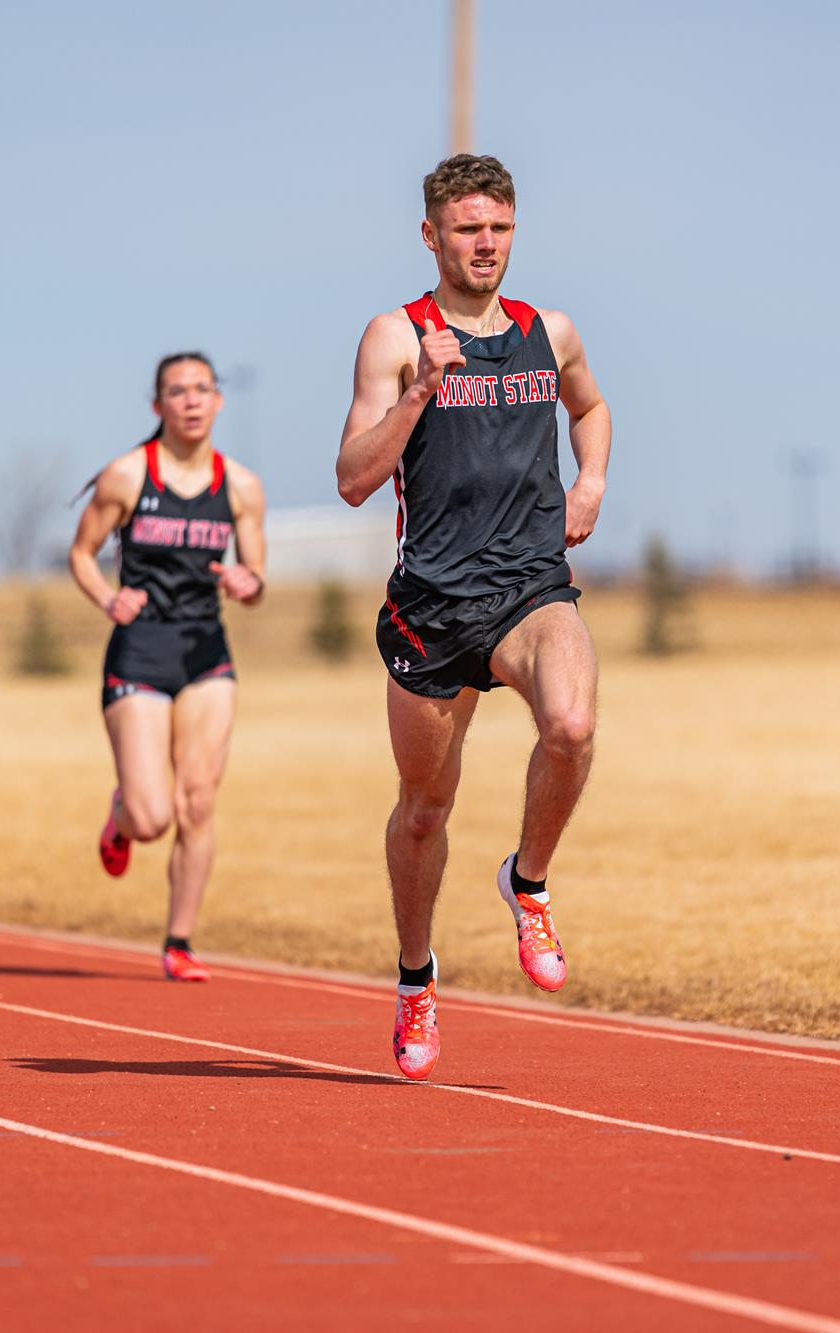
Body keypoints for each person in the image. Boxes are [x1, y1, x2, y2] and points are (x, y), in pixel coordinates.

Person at [337, 154, 611, 1080]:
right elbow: (353, 478)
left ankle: (527, 881)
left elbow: (591, 407)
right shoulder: (396, 334)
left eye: (498, 227)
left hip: (531, 585)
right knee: (424, 810)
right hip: (433, 602)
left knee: (571, 726)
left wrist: (592, 479)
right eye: (466, 229)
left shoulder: (548, 331)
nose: (484, 244)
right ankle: (417, 977)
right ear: (432, 236)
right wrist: (421, 388)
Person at [68, 351, 267, 983]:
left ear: (218, 401)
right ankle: (122, 815)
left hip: (206, 653)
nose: (191, 400)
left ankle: (180, 941)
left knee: (198, 802)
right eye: (177, 391)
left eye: (202, 389)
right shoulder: (128, 476)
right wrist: (108, 599)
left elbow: (256, 576)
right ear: (158, 405)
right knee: (153, 817)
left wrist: (248, 582)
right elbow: (81, 552)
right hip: (140, 652)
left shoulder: (240, 486)